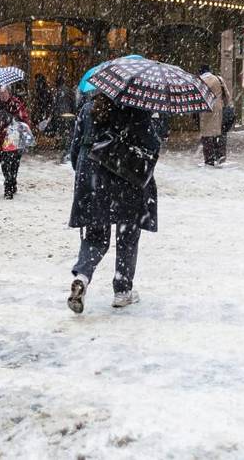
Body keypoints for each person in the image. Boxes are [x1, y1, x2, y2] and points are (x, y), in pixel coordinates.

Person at [66, 94, 160, 313]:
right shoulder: (137, 111)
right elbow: (152, 146)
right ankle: (122, 290)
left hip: (92, 179)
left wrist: (84, 171)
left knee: (96, 236)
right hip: (127, 182)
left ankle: (82, 275)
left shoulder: (89, 109)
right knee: (127, 235)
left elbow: (75, 147)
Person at [0, 84, 30, 199]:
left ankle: (11, 184)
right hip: (1, 139)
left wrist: (11, 119)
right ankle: (9, 184)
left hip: (14, 139)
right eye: (0, 93)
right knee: (4, 163)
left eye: (4, 93)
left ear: (9, 93)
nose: (2, 96)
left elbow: (24, 119)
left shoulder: (16, 103)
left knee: (14, 163)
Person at [198, 64, 228, 166]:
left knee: (206, 135)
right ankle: (220, 154)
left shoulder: (199, 81)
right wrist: (225, 104)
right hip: (218, 108)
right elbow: (227, 95)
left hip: (205, 109)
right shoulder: (219, 79)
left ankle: (209, 158)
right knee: (218, 132)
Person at [50, 76, 77, 163]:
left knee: (64, 132)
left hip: (60, 115)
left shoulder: (57, 92)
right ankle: (67, 150)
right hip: (69, 114)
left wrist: (54, 115)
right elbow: (74, 103)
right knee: (69, 132)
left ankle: (65, 149)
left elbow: (54, 104)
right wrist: (73, 113)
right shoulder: (69, 91)